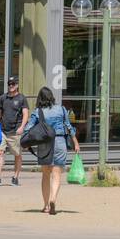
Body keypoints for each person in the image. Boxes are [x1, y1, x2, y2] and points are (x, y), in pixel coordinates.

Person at [22, 86, 80, 215]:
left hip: (44, 144)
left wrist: (25, 141)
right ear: (51, 97)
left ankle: (46, 205)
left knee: (45, 175)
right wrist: (75, 142)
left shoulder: (38, 111)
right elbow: (69, 127)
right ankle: (53, 199)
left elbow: (28, 128)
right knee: (57, 174)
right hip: (59, 142)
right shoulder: (61, 109)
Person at [0, 77, 29, 186]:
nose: (11, 86)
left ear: (17, 85)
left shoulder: (22, 98)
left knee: (17, 155)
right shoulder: (3, 98)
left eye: (13, 84)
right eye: (9, 84)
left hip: (16, 131)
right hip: (3, 130)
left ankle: (15, 177)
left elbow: (26, 114)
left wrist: (22, 127)